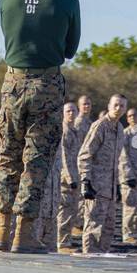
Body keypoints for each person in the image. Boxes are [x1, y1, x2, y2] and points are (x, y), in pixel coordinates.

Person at [0, 0, 81, 253]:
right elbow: (69, 49)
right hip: (46, 85)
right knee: (36, 160)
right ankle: (23, 234)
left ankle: (0, 230)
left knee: (7, 157)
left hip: (12, 83)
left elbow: (8, 35)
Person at [78, 95, 127, 254]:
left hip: (110, 188)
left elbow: (117, 160)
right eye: (116, 105)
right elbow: (85, 154)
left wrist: (118, 186)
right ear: (109, 105)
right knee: (93, 227)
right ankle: (89, 260)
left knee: (109, 227)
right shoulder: (100, 126)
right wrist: (85, 181)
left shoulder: (119, 129)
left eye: (122, 106)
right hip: (96, 187)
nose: (118, 108)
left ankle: (102, 257)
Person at [119, 108, 137, 244]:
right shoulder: (125, 134)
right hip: (130, 178)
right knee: (130, 206)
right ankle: (128, 233)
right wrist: (128, 175)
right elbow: (122, 155)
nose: (131, 118)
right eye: (129, 116)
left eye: (134, 115)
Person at [54, 102, 81, 250]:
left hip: (75, 176)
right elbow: (63, 156)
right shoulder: (64, 130)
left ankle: (67, 240)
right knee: (64, 211)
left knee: (72, 210)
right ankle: (62, 243)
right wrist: (70, 178)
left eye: (73, 111)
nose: (71, 113)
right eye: (68, 111)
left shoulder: (74, 130)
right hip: (66, 179)